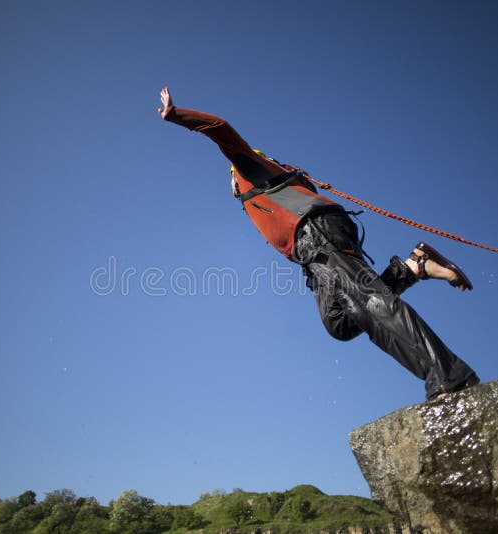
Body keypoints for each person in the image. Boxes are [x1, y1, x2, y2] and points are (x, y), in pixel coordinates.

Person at [157, 87, 479, 400]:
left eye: (229, 182)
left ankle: (448, 375)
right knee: (339, 322)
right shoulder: (262, 191)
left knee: (369, 303)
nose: (231, 188)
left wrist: (177, 115)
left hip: (318, 232)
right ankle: (413, 266)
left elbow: (221, 128)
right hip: (312, 252)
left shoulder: (247, 166)